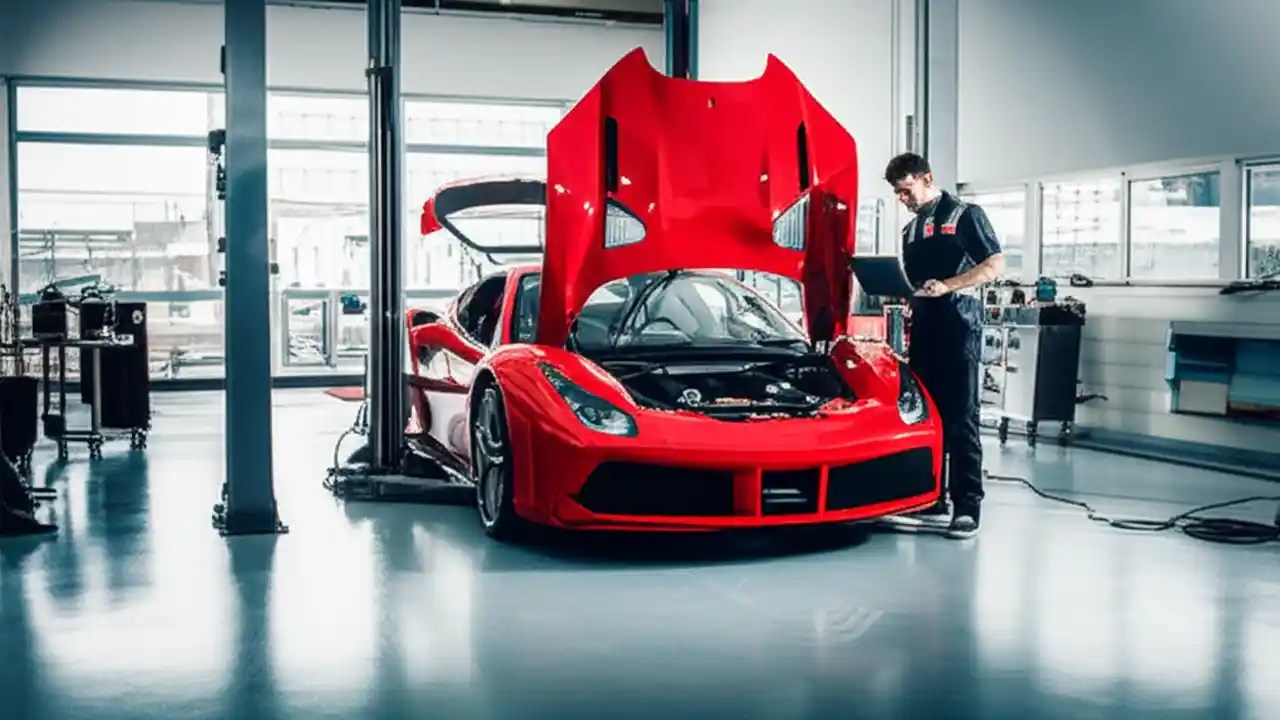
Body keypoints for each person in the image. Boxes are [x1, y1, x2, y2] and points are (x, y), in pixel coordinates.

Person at [882, 152, 1004, 539]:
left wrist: (948, 285)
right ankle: (932, 499)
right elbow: (916, 281)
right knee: (926, 414)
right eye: (898, 195)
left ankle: (967, 505)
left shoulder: (966, 215)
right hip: (925, 327)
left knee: (961, 416)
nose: (904, 200)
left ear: (926, 178)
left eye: (907, 191)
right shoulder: (910, 232)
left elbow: (994, 264)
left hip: (960, 324)